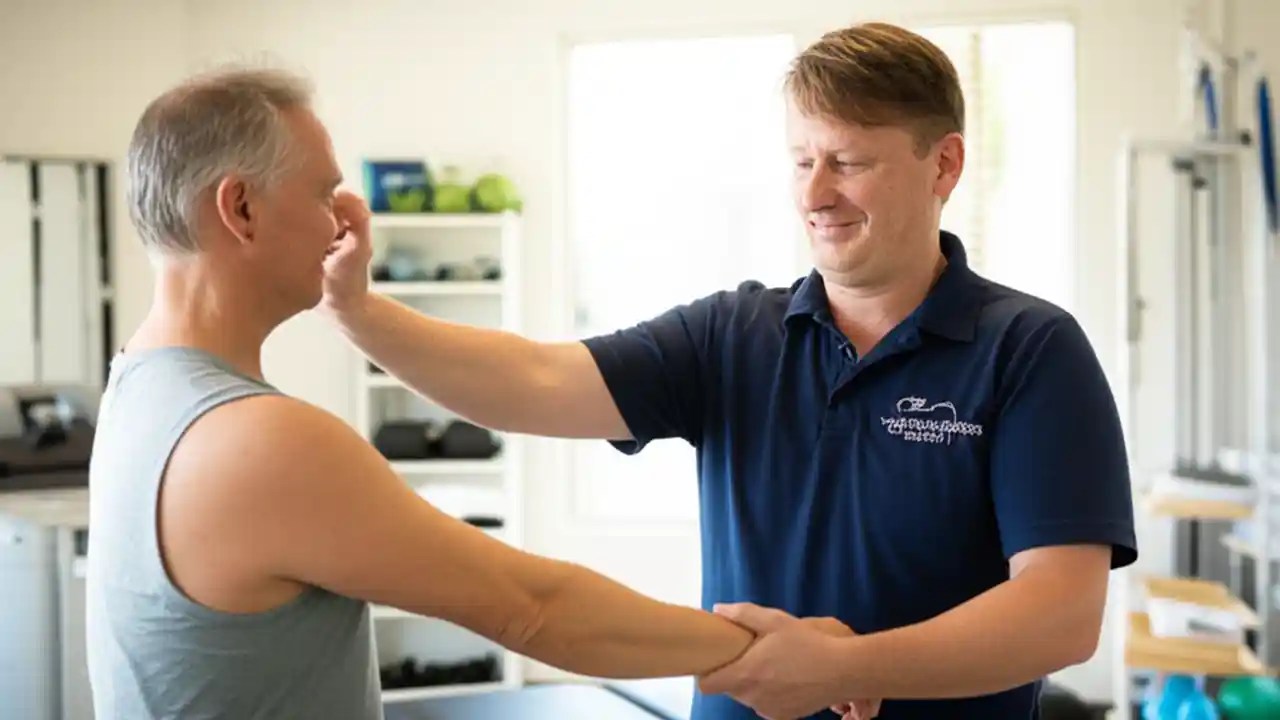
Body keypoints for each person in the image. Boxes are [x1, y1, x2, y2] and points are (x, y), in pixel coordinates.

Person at [320, 21, 1138, 720]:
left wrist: (856, 667)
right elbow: (531, 380)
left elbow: (1059, 615)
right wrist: (358, 311)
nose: (815, 193)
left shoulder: (1029, 349)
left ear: (945, 166)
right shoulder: (731, 335)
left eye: (848, 161)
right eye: (800, 160)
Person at [84, 67, 878, 720]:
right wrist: (767, 655)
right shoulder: (258, 441)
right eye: (323, 193)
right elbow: (532, 607)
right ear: (242, 208)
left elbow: (533, 382)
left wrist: (353, 308)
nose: (340, 222)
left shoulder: (139, 385)